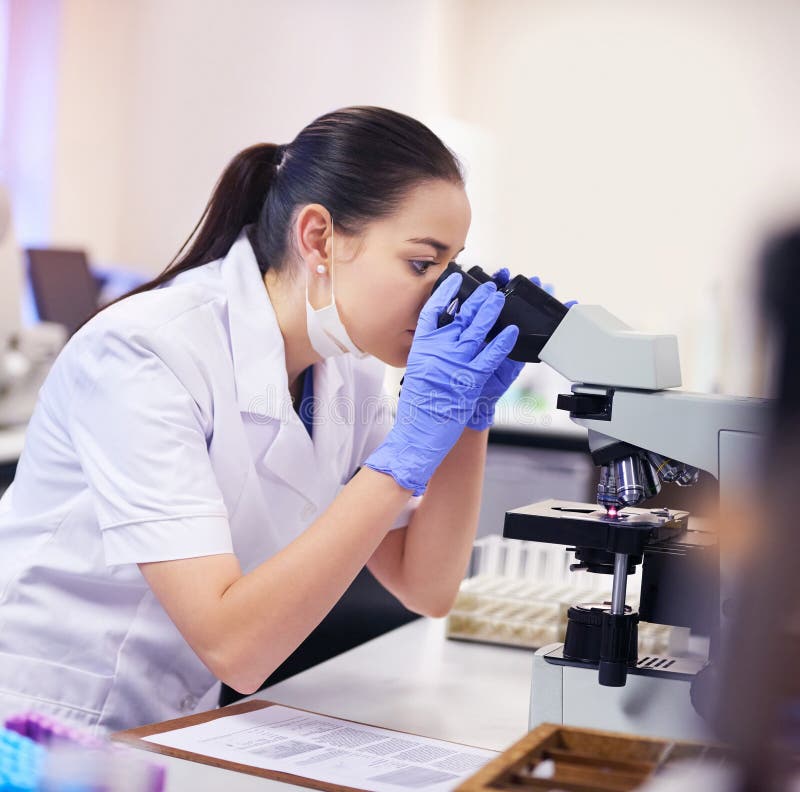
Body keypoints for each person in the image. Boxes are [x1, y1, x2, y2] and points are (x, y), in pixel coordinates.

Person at [0, 107, 522, 734]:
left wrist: (468, 416)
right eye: (420, 264)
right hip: (40, 715)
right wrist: (400, 461)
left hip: (172, 720)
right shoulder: (145, 351)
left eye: (452, 267)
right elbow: (236, 648)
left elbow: (426, 585)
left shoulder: (344, 368)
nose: (444, 297)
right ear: (319, 238)